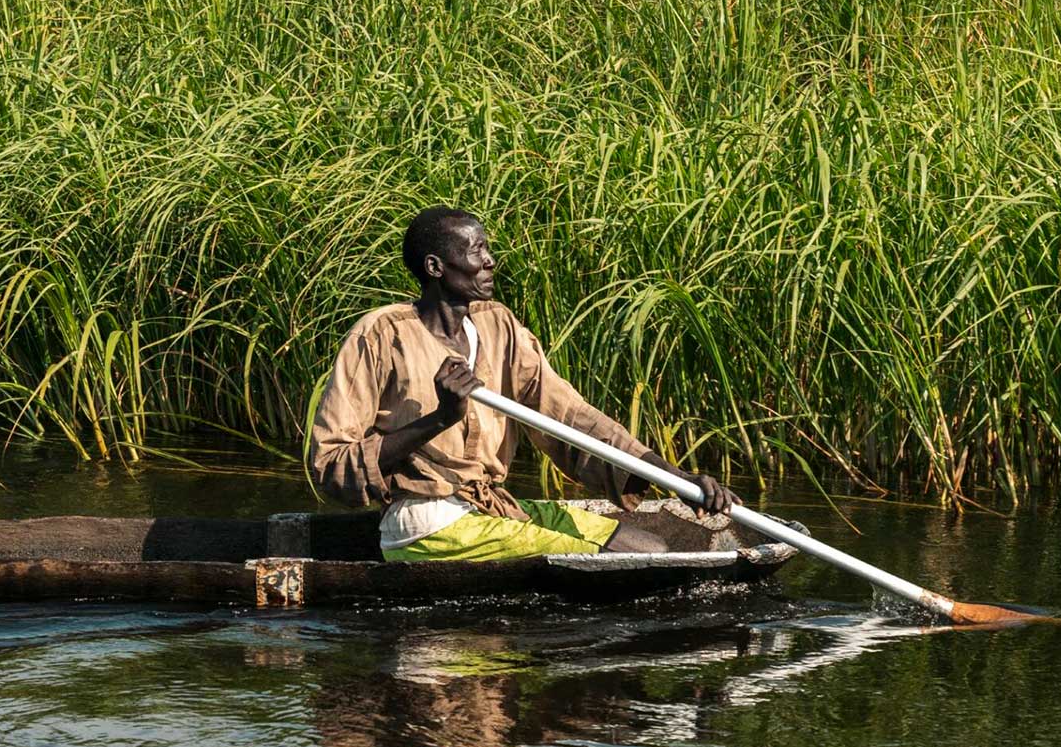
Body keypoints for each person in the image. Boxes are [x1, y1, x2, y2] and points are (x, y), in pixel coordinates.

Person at [307, 206, 739, 561]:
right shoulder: (381, 336)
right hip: (426, 523)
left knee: (648, 547)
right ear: (436, 266)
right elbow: (331, 464)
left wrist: (676, 479)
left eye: (487, 248)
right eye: (477, 250)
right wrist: (441, 418)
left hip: (490, 507)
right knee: (621, 559)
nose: (490, 260)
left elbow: (570, 418)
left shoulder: (498, 327)